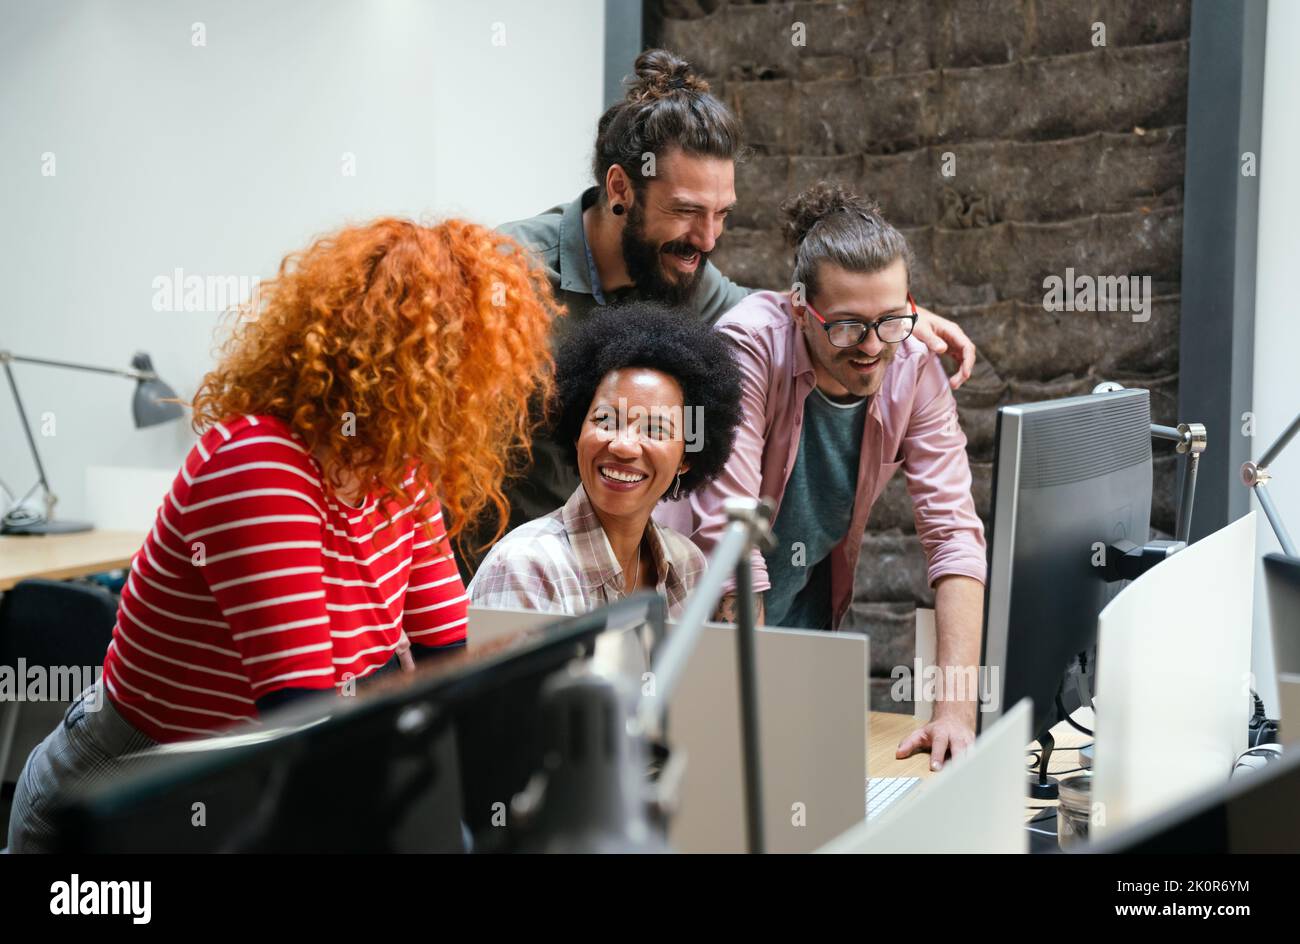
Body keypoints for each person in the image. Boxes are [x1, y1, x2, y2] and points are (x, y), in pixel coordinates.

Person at [7, 218, 559, 852]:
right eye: (467, 368)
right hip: (119, 809)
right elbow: (305, 724)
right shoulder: (260, 464)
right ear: (402, 364)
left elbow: (444, 671)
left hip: (241, 794)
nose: (477, 396)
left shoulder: (402, 475)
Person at [463, 48, 977, 572]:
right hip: (495, 591)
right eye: (685, 211)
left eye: (721, 215)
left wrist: (891, 315)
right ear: (621, 188)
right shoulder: (505, 277)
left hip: (608, 594)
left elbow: (782, 315)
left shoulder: (685, 274)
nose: (707, 239)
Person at [674, 183, 987, 769]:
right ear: (799, 307)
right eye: (846, 326)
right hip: (700, 632)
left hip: (802, 627)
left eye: (891, 320)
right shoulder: (747, 349)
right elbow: (730, 539)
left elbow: (954, 537)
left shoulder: (914, 366)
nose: (871, 348)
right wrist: (755, 713)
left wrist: (954, 714)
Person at [468, 304, 742, 619]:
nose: (624, 446)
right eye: (606, 420)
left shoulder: (688, 565)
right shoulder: (527, 566)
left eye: (655, 429)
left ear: (687, 457)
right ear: (576, 431)